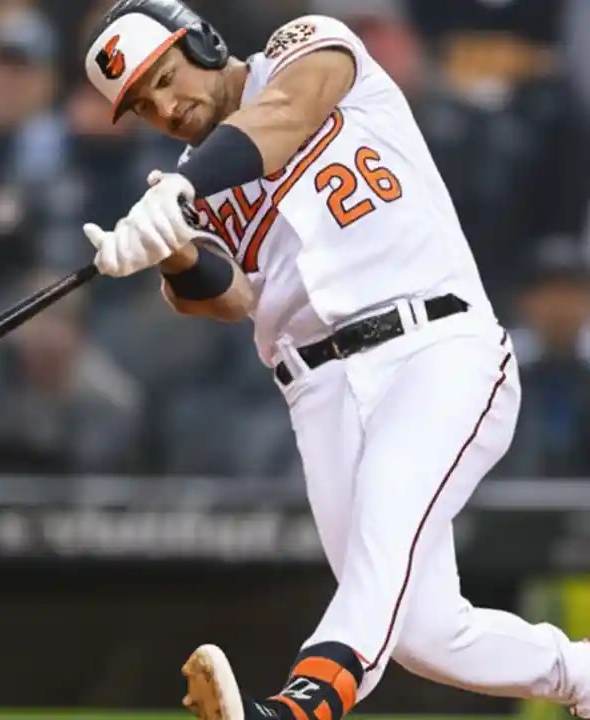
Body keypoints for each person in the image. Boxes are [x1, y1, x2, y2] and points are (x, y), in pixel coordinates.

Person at [76, 0, 590, 718]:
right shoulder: (189, 186)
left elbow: (286, 112)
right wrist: (171, 252)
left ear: (201, 40)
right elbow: (228, 299)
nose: (165, 107)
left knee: (381, 545)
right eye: (142, 104)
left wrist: (187, 193)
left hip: (434, 347)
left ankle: (300, 706)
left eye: (166, 76)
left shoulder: (304, 46)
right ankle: (581, 676)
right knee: (423, 632)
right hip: (317, 392)